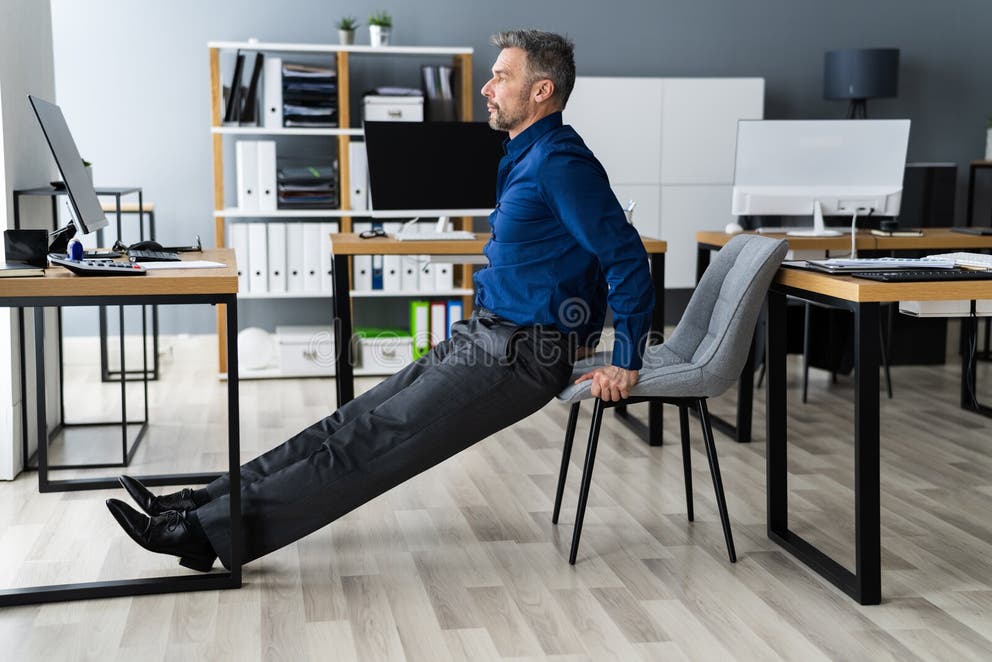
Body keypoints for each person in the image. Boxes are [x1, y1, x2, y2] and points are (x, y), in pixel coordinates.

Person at [106, 29, 655, 572]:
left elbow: (627, 258)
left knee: (369, 443)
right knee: (345, 423)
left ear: (541, 91)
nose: (487, 88)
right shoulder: (524, 155)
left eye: (501, 77)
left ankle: (203, 536)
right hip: (488, 334)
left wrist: (626, 359)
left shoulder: (562, 163)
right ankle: (202, 502)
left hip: (524, 354)